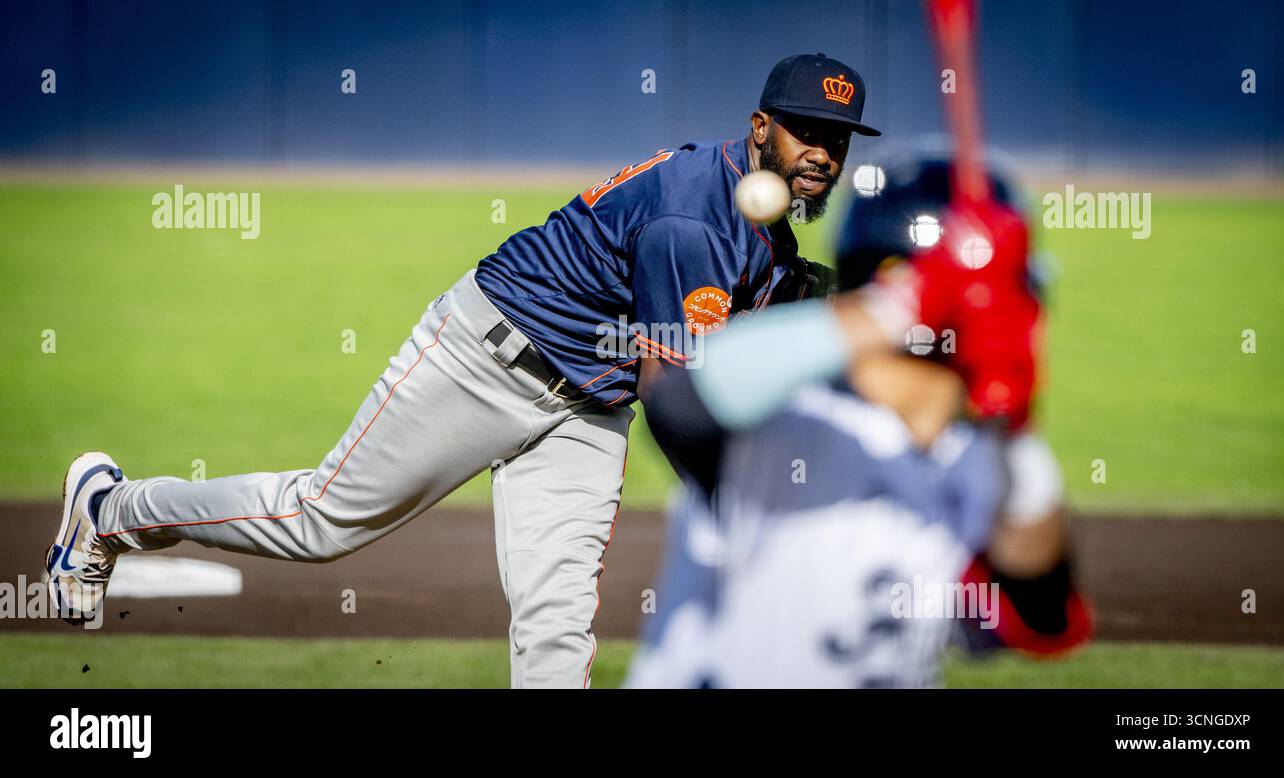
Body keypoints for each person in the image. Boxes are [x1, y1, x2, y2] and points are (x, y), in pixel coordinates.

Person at [44, 53, 877, 688]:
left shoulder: (760, 222)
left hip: (585, 409)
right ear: (760, 125)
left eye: (837, 141)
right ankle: (113, 510)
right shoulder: (692, 220)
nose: (823, 154)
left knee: (556, 624)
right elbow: (674, 394)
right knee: (321, 522)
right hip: (486, 358)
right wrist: (735, 500)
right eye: (808, 132)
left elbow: (752, 302)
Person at [625, 154, 1091, 688]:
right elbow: (681, 403)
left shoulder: (978, 456)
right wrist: (912, 301)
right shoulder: (787, 415)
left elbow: (1041, 616)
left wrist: (1015, 426)